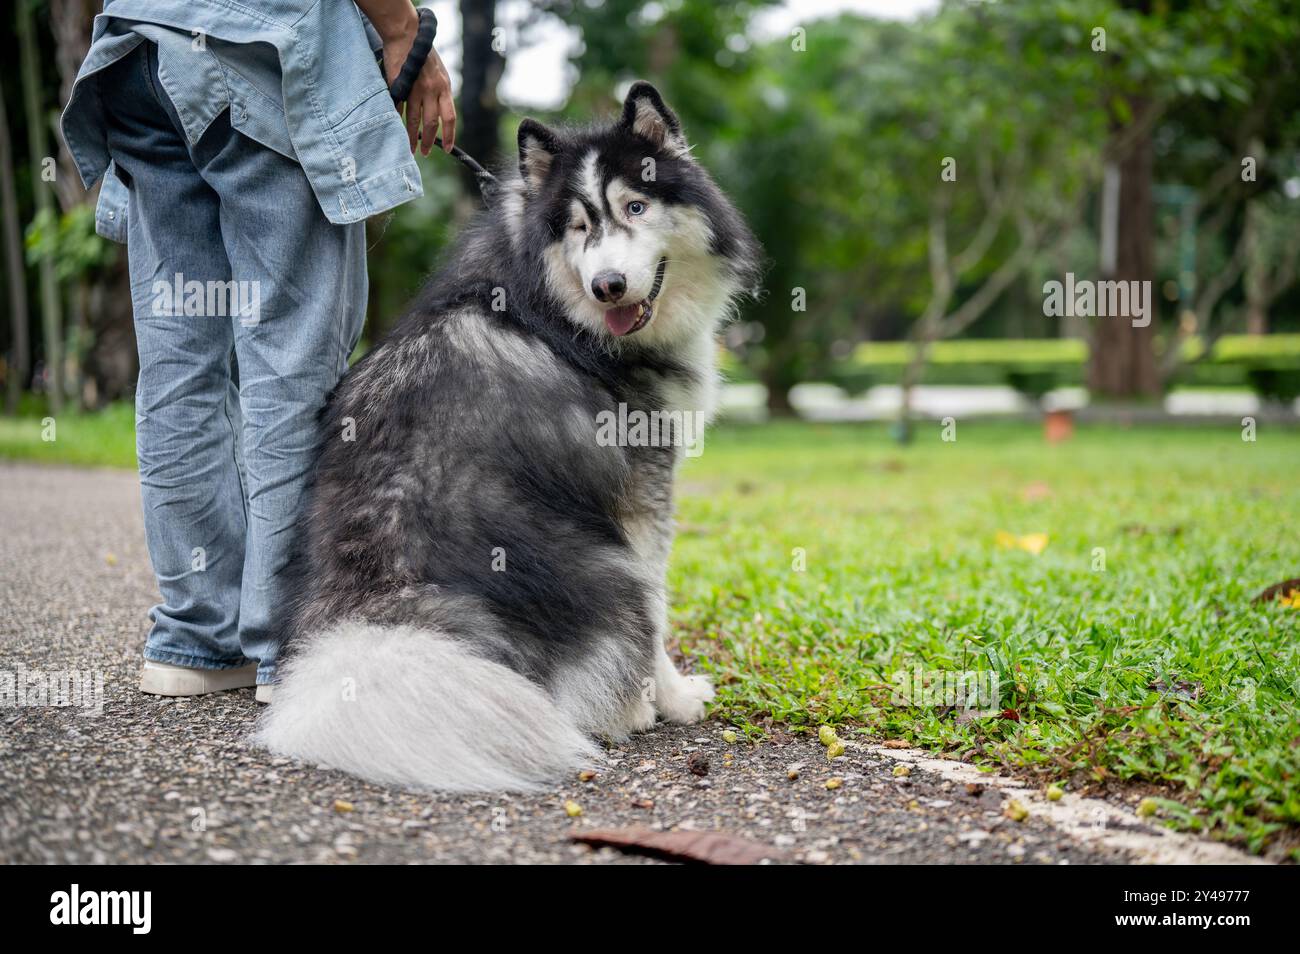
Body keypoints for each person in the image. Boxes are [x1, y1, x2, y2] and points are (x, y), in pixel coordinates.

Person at [60, 0, 455, 702]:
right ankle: (289, 642)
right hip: (258, 52)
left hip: (135, 56)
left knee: (180, 368)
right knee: (292, 367)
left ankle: (197, 640)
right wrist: (401, 29)